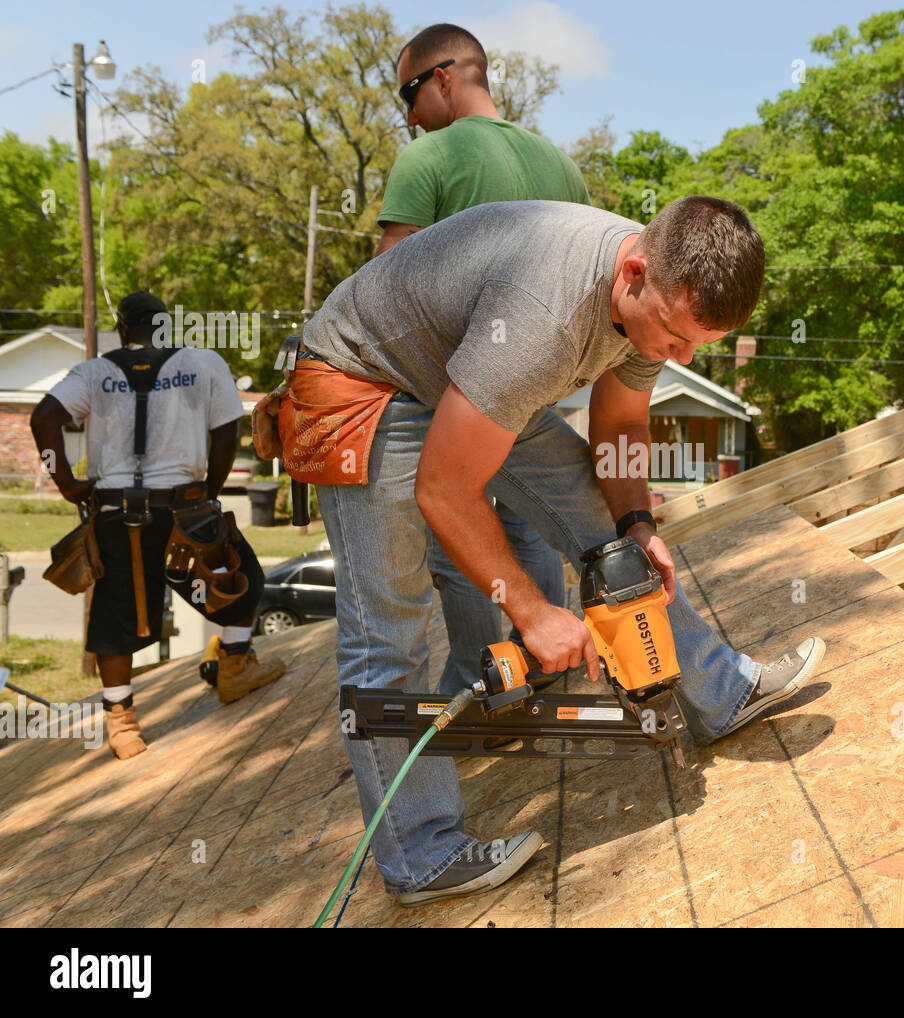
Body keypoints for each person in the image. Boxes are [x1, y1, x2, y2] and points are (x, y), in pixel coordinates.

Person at [282, 196, 826, 905]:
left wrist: (635, 525)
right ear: (633, 273)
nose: (681, 356)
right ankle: (420, 856)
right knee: (390, 627)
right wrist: (533, 611)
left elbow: (623, 419)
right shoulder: (544, 315)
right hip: (366, 381)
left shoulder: (652, 300)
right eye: (672, 335)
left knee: (614, 542)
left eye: (698, 344)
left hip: (464, 376)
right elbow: (445, 490)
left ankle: (719, 693)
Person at [376, 22, 589, 694]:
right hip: (535, 384)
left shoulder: (430, 156)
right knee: (528, 533)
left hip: (453, 390)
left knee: (455, 533)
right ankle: (548, 668)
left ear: (443, 76)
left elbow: (383, 283)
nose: (410, 117)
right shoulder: (560, 163)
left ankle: (483, 681)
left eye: (409, 95)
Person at [30, 291, 285, 760]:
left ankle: (122, 723)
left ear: (122, 328)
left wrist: (64, 481)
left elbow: (44, 418)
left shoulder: (93, 372)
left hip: (116, 515)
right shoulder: (205, 363)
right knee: (239, 580)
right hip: (184, 512)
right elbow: (227, 431)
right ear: (166, 326)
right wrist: (211, 488)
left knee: (114, 616)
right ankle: (233, 669)